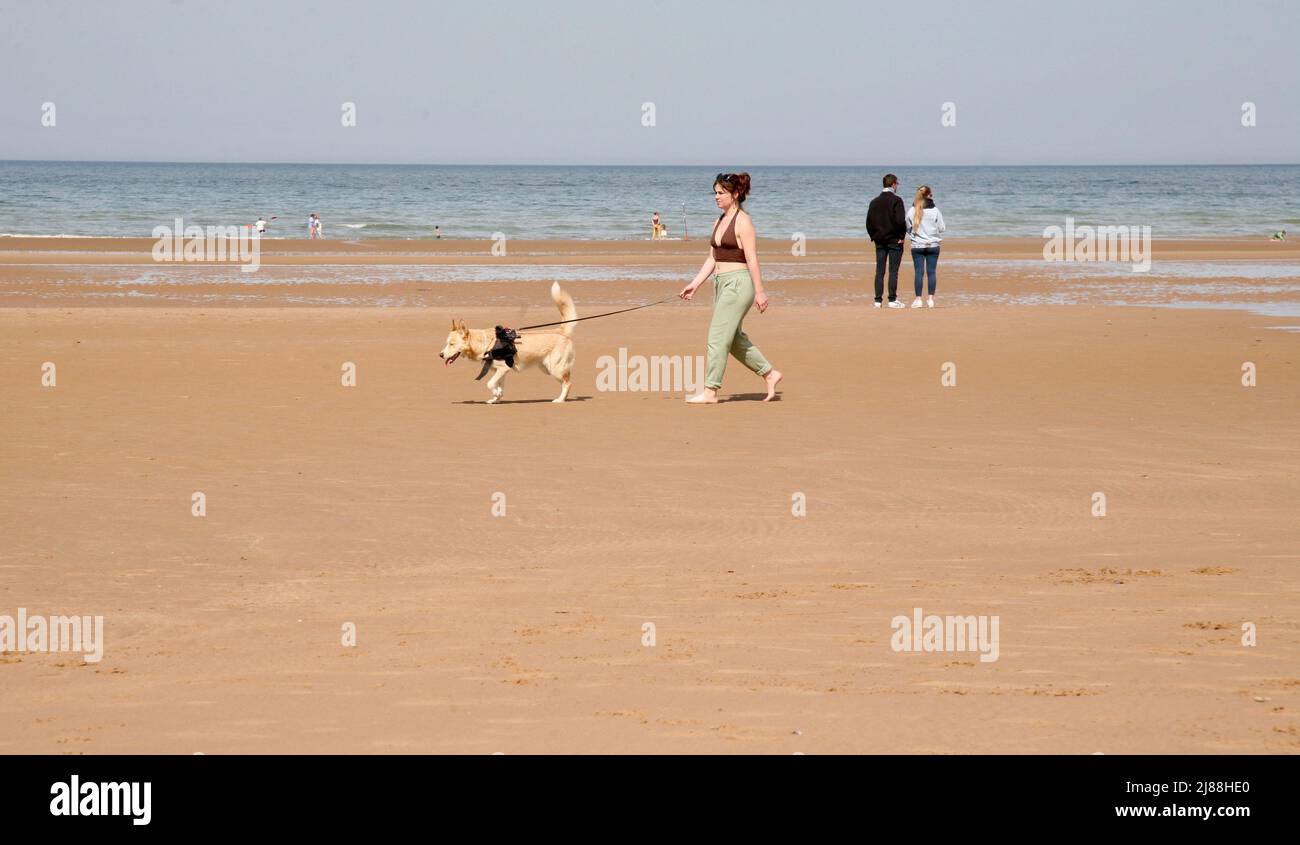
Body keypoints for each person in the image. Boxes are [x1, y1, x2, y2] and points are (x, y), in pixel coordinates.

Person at [678, 172, 782, 404]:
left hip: (739, 284)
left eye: (721, 193)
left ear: (735, 194)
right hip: (721, 283)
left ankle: (710, 391)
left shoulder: (743, 222)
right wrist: (694, 284)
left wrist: (760, 291)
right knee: (732, 338)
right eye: (715, 192)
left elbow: (752, 259)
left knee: (717, 337)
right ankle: (770, 374)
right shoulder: (719, 220)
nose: (716, 197)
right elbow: (713, 258)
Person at [866, 173, 908, 308]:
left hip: (879, 240)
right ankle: (892, 299)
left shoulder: (874, 201)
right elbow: (901, 221)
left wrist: (873, 236)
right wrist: (901, 237)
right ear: (893, 184)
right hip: (894, 240)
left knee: (880, 271)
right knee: (893, 271)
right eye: (897, 184)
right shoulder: (897, 200)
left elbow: (869, 222)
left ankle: (877, 300)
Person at [907, 185, 945, 308]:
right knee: (931, 272)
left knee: (919, 272)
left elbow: (907, 226)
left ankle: (918, 299)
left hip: (917, 245)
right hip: (933, 244)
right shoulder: (935, 210)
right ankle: (930, 299)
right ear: (929, 195)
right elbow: (942, 228)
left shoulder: (912, 210)